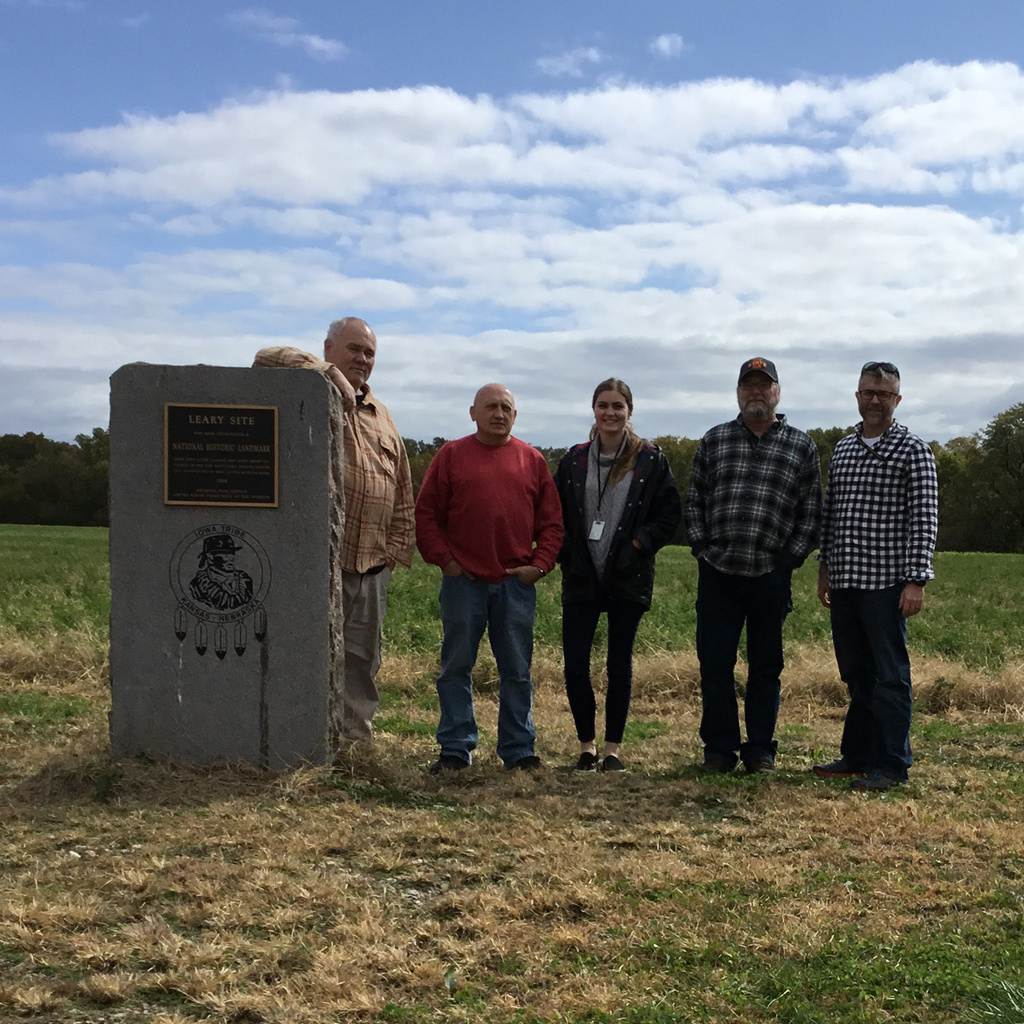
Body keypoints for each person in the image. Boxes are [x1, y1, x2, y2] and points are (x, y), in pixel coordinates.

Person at [253, 317, 415, 746]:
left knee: (360, 664)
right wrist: (328, 374)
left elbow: (401, 491)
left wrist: (391, 560)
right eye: (353, 349)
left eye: (369, 353)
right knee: (306, 655)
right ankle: (299, 743)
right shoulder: (312, 386)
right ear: (328, 348)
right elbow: (264, 358)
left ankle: (355, 749)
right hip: (319, 564)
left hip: (370, 567)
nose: (362, 359)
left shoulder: (384, 417)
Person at [415, 384, 564, 773]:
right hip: (463, 582)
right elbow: (426, 514)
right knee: (456, 667)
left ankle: (518, 749)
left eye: (506, 408)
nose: (499, 414)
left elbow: (552, 524)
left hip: (515, 585)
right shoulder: (451, 456)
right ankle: (455, 748)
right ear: (473, 413)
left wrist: (539, 566)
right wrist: (445, 561)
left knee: (516, 671)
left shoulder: (531, 461)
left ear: (515, 415)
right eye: (491, 407)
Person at [685, 357, 822, 774]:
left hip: (770, 574)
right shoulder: (715, 440)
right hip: (719, 573)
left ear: (777, 392)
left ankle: (761, 749)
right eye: (749, 386)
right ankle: (720, 749)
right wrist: (702, 551)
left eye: (765, 385)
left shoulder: (801, 445)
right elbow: (694, 501)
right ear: (738, 392)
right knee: (715, 663)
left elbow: (811, 512)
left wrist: (789, 562)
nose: (756, 392)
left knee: (766, 666)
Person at [814, 361, 938, 792]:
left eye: (884, 394)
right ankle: (858, 755)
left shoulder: (913, 450)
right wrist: (825, 568)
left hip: (887, 583)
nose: (875, 400)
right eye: (868, 392)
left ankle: (893, 764)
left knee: (890, 677)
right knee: (856, 674)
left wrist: (917, 579)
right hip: (846, 580)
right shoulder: (844, 448)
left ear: (897, 400)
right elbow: (832, 515)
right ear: (857, 396)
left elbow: (925, 518)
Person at [555, 378, 681, 772]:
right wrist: (566, 555)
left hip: (628, 574)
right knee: (575, 663)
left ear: (630, 411)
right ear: (593, 410)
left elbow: (669, 515)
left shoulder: (650, 460)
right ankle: (586, 746)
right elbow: (554, 516)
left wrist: (639, 545)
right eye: (603, 405)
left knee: (618, 663)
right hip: (582, 575)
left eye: (618, 406)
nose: (610, 413)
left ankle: (612, 750)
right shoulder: (573, 460)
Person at [188, 533, 254, 611]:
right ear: (210, 557)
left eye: (232, 553)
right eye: (225, 554)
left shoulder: (245, 580)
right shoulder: (197, 586)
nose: (231, 558)